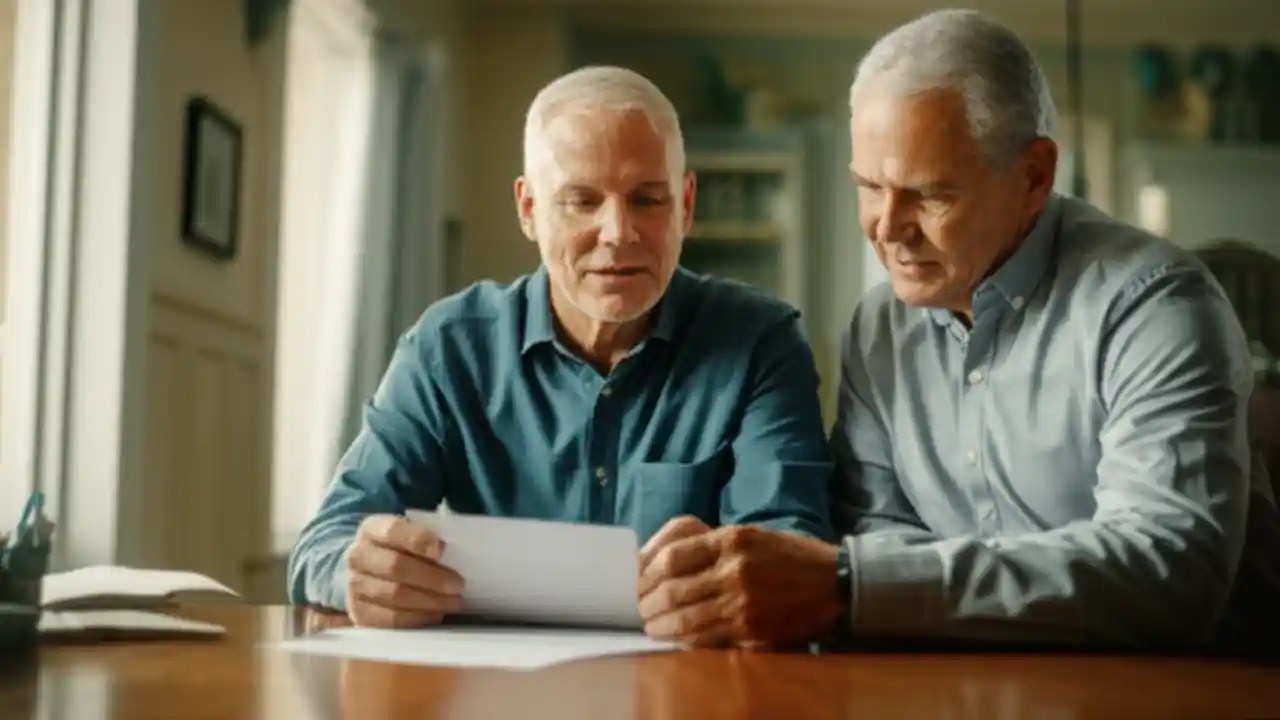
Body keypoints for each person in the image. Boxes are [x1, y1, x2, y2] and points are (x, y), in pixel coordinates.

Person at [638, 9, 1280, 651]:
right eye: (868, 186)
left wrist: (850, 584)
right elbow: (882, 534)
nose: (887, 228)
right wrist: (861, 582)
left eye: (930, 194)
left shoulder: (1156, 306)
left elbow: (1168, 574)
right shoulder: (879, 330)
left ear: (1033, 177)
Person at [287, 66, 833, 628]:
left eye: (648, 199)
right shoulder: (448, 347)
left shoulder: (761, 341)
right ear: (529, 210)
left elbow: (791, 552)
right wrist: (362, 574)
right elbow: (325, 542)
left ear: (686, 205)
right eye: (581, 201)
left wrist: (747, 582)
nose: (619, 231)